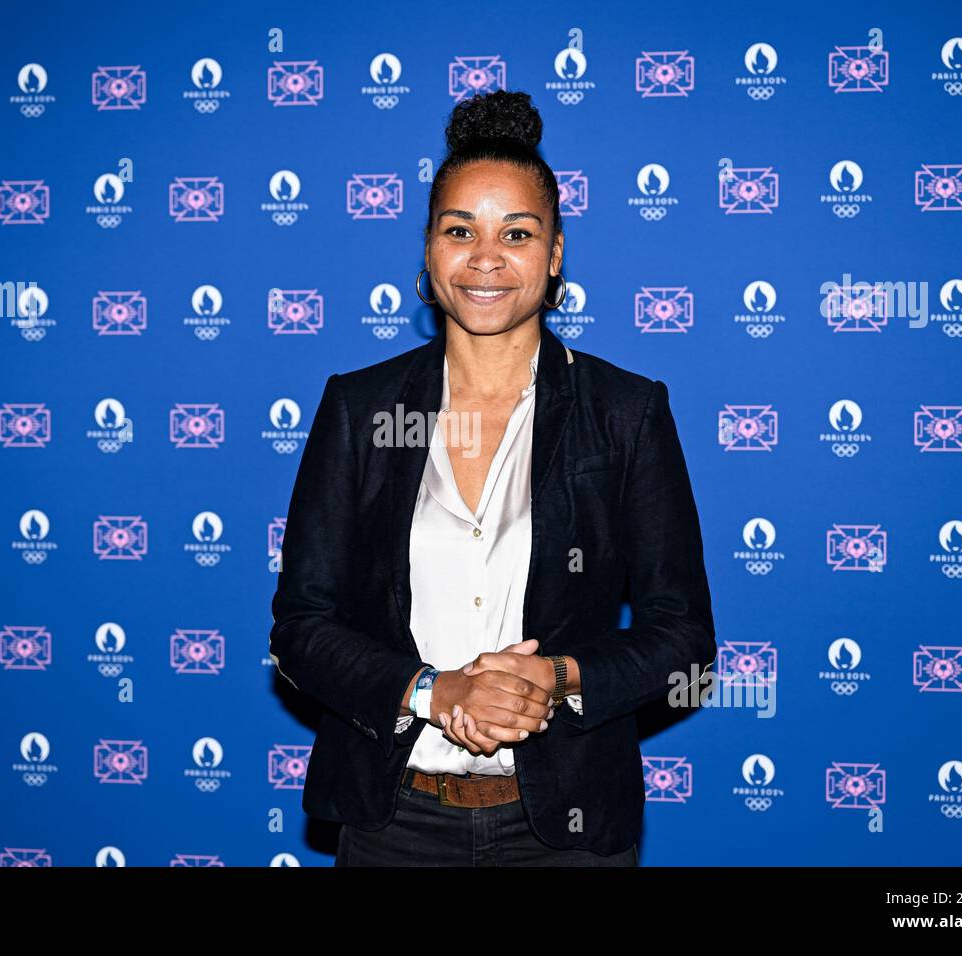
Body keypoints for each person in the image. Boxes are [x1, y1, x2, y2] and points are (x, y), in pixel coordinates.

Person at [269, 89, 715, 866]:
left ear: (555, 254)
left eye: (516, 232)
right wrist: (431, 691)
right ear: (429, 251)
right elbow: (301, 628)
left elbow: (683, 637)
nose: (485, 257)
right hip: (393, 823)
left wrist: (556, 675)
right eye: (458, 231)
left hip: (564, 828)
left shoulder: (624, 412)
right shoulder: (360, 407)